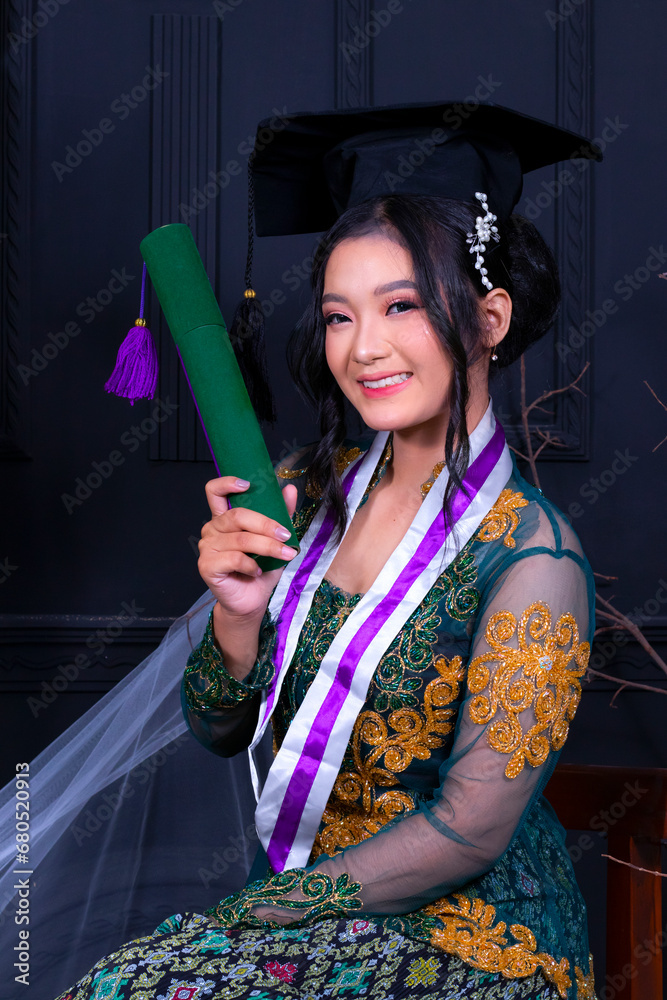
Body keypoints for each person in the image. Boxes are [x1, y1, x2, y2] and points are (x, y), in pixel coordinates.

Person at [53, 101, 600, 1000]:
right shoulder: (306, 491)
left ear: (490, 317)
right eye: (340, 316)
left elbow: (468, 830)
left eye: (402, 306)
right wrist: (236, 620)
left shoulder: (535, 559)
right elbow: (218, 729)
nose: (365, 348)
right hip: (313, 910)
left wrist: (241, 922)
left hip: (471, 939)